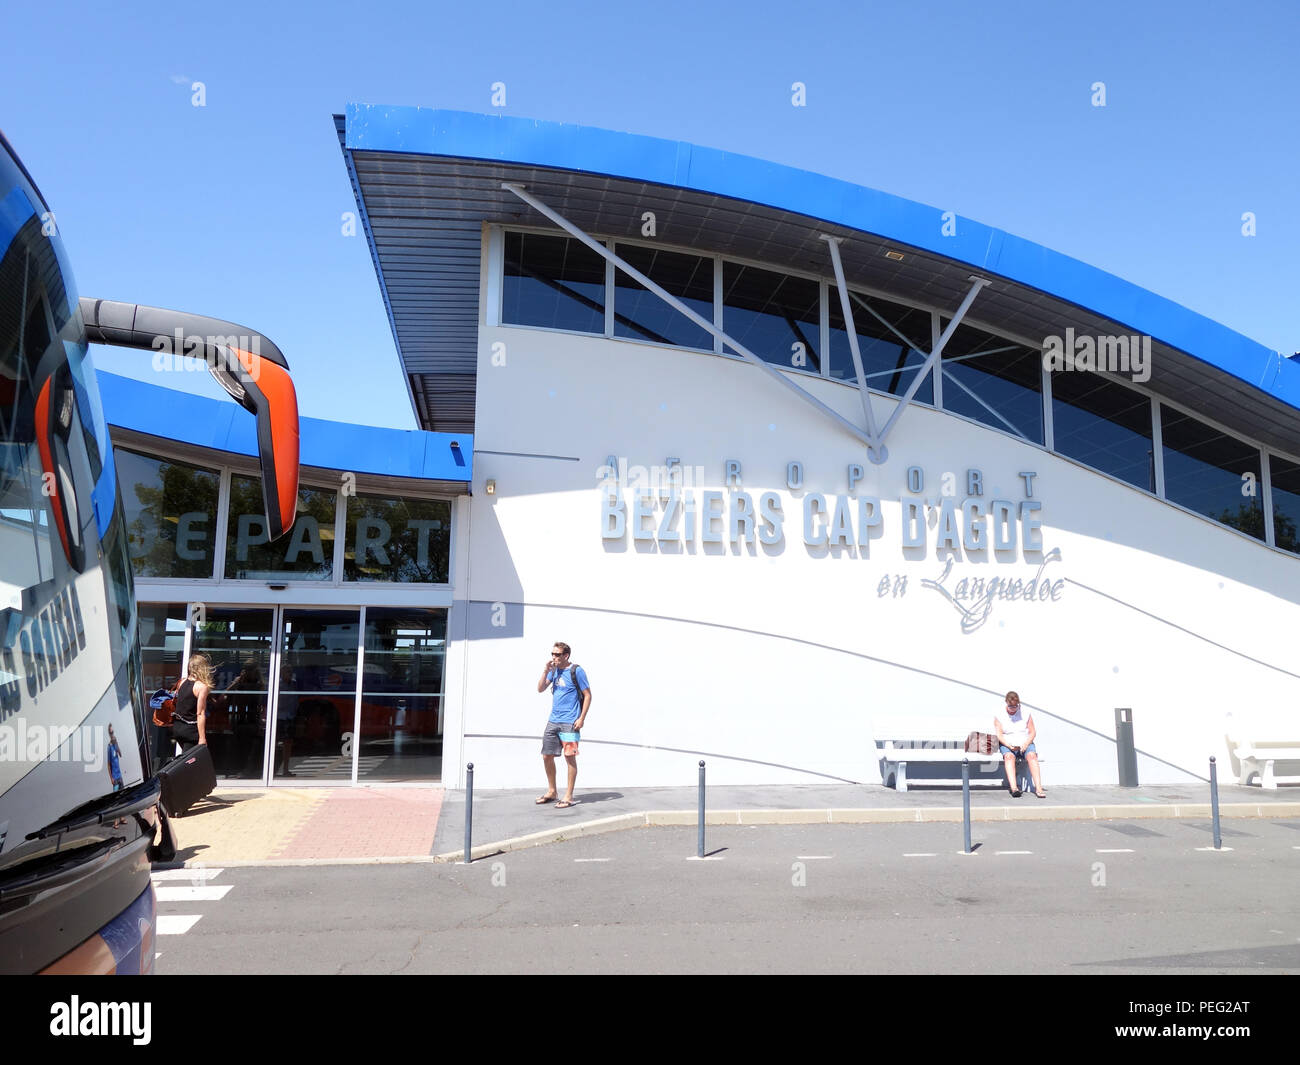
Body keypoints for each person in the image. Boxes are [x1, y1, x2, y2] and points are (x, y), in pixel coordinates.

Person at [534, 641, 590, 809]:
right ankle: (552, 791)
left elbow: (588, 695)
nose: (554, 657)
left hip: (570, 721)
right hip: (553, 720)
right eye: (552, 654)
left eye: (557, 654)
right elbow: (540, 688)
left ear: (566, 655)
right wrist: (546, 670)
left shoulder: (577, 671)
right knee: (546, 755)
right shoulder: (554, 670)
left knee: (569, 757)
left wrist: (581, 718)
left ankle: (569, 795)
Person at [994, 690, 1045, 798]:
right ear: (1006, 703)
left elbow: (1032, 732)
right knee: (1009, 757)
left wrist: (1026, 744)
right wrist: (1008, 745)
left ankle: (1039, 788)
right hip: (1008, 744)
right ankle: (1014, 788)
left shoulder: (1026, 713)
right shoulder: (999, 715)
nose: (1013, 709)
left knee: (1032, 756)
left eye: (1015, 706)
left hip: (1024, 743)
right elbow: (999, 735)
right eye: (1010, 706)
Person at [171, 653, 212, 753]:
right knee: (190, 763)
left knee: (188, 760)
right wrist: (202, 738)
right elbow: (200, 713)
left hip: (178, 728)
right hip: (190, 731)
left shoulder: (182, 682)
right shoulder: (202, 687)